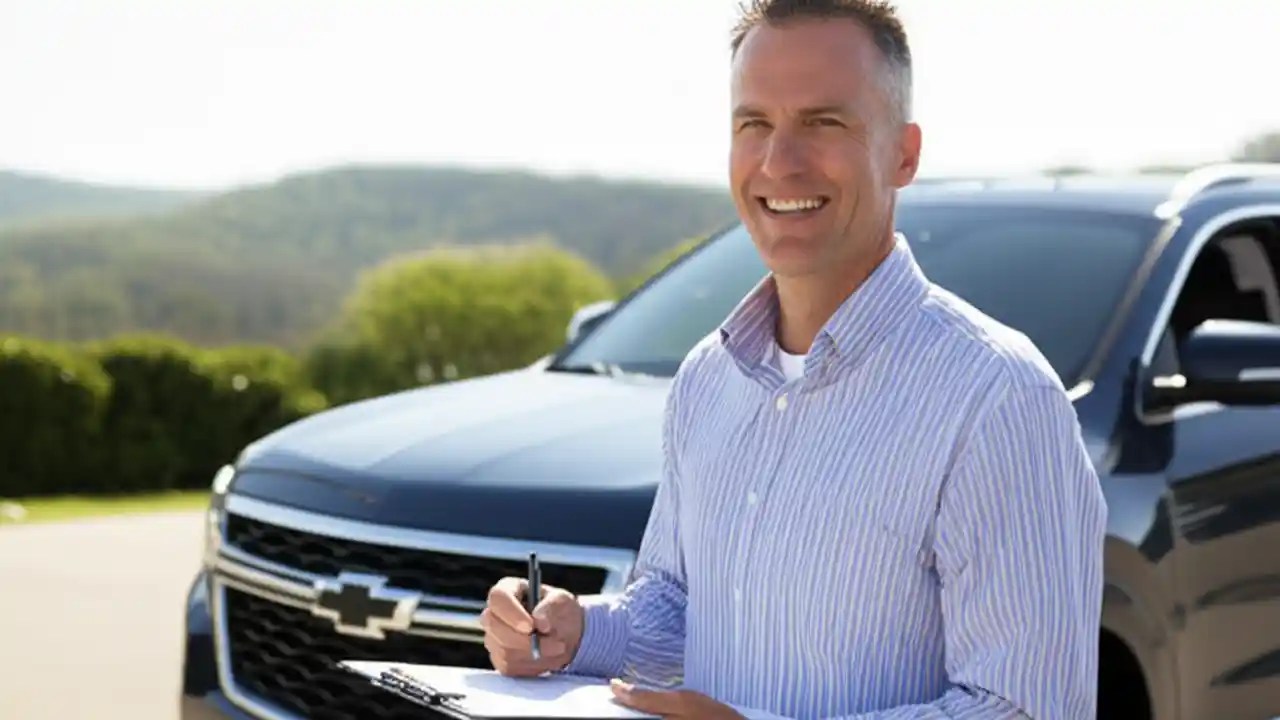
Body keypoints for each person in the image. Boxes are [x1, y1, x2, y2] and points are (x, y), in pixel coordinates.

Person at [481, 1, 1107, 717]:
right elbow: (686, 613)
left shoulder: (998, 399)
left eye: (824, 122)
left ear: (904, 153)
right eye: (755, 125)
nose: (780, 162)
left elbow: (1027, 707)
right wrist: (576, 631)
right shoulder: (707, 381)